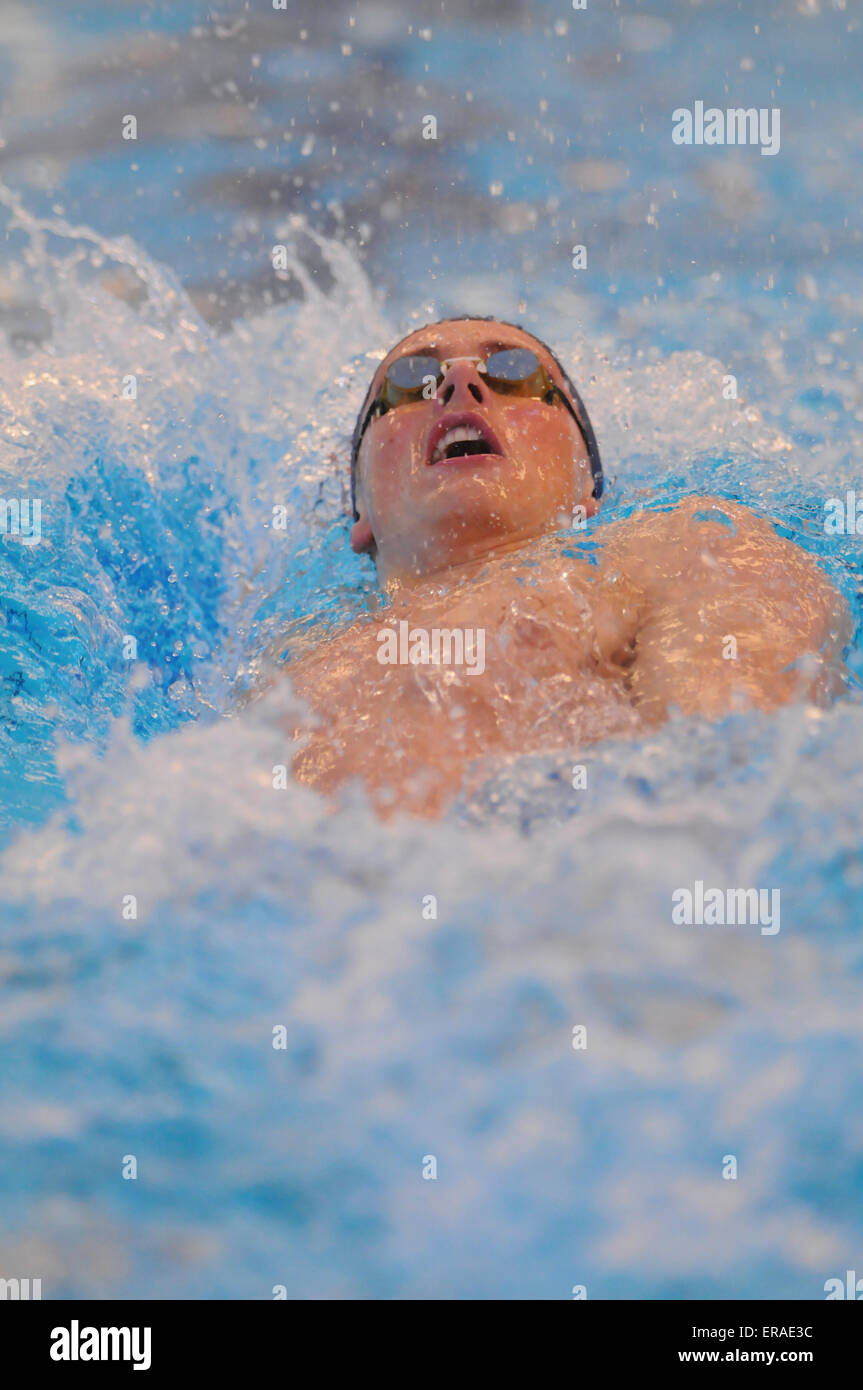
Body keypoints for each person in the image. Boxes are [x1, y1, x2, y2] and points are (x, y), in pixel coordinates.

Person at [275, 317, 850, 818]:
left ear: (587, 491)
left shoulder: (691, 543)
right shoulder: (292, 673)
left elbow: (732, 769)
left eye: (516, 372)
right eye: (410, 381)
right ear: (360, 513)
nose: (458, 383)